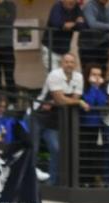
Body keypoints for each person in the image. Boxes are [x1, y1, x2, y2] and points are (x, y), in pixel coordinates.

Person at [38, 52, 84, 186]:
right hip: (41, 116)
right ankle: (50, 182)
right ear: (61, 63)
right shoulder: (54, 74)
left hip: (59, 121)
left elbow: (70, 100)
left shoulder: (79, 77)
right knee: (50, 148)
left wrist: (68, 99)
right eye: (66, 62)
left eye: (72, 62)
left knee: (59, 150)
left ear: (75, 64)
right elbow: (60, 100)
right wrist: (77, 102)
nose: (69, 64)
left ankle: (55, 181)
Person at [44, 0, 84, 72]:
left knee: (65, 75)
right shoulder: (57, 6)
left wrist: (70, 25)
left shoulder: (76, 8)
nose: (72, 2)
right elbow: (56, 23)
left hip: (65, 50)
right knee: (54, 75)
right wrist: (75, 23)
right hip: (50, 48)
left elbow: (82, 25)